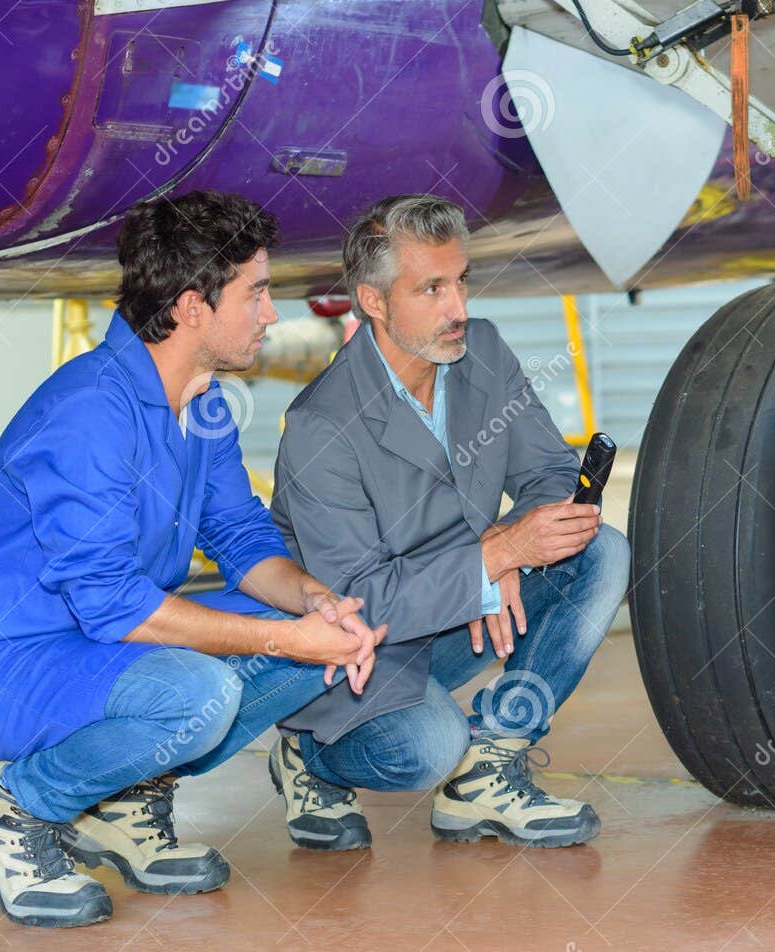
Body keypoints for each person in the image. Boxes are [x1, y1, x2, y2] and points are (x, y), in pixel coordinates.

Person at [0, 191, 386, 929]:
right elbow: (113, 604)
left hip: (92, 640)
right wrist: (282, 636)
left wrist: (313, 605)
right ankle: (15, 812)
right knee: (198, 695)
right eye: (257, 292)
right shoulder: (91, 413)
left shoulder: (201, 405)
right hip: (0, 661)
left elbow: (240, 536)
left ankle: (121, 798)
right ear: (194, 306)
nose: (271, 313)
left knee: (313, 644)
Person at [268, 194, 629, 850]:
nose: (457, 308)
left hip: (457, 615)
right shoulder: (320, 428)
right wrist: (489, 562)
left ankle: (485, 777)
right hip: (357, 655)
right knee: (429, 747)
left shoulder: (481, 350)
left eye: (460, 281)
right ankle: (306, 757)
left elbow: (550, 470)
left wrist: (506, 540)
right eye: (430, 288)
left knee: (598, 551)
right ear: (373, 301)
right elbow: (356, 603)